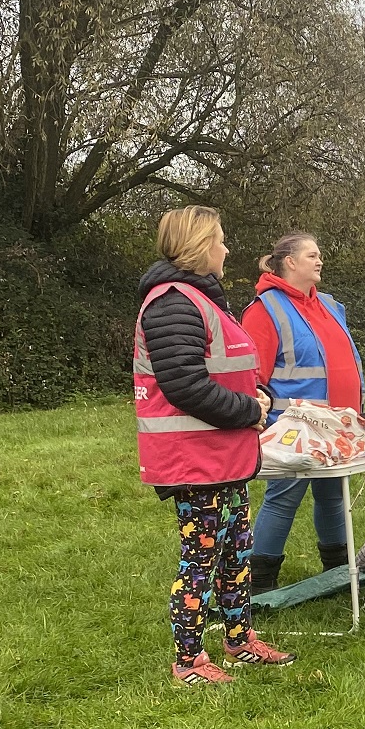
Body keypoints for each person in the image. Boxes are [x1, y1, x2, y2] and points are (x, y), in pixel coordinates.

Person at [133, 206, 294, 685]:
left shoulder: (204, 299)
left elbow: (227, 366)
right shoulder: (172, 303)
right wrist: (250, 411)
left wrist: (257, 393)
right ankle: (188, 661)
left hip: (224, 456)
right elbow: (184, 383)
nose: (227, 250)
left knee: (234, 552)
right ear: (201, 246)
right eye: (220, 240)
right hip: (196, 461)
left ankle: (239, 639)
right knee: (201, 558)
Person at [239, 231, 365, 590]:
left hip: (337, 427)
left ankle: (338, 570)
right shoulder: (266, 309)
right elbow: (253, 376)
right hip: (292, 428)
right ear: (290, 262)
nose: (320, 260)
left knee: (333, 495)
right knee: (284, 496)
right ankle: (259, 582)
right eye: (312, 255)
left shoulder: (329, 304)